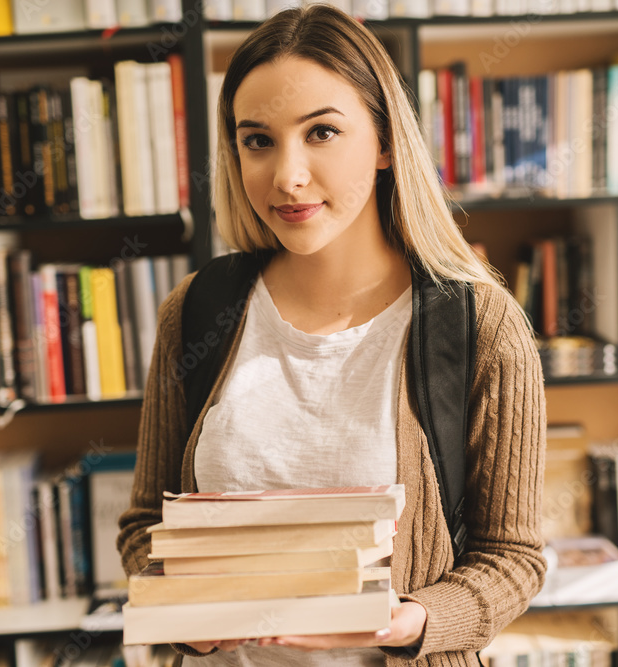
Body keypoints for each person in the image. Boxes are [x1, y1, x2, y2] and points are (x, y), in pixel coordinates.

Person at [117, 4, 547, 665]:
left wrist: (413, 620)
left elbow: (513, 559)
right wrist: (182, 611)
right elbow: (146, 524)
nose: (286, 176)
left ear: (382, 142)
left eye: (320, 133)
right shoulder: (200, 309)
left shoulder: (478, 326)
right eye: (257, 140)